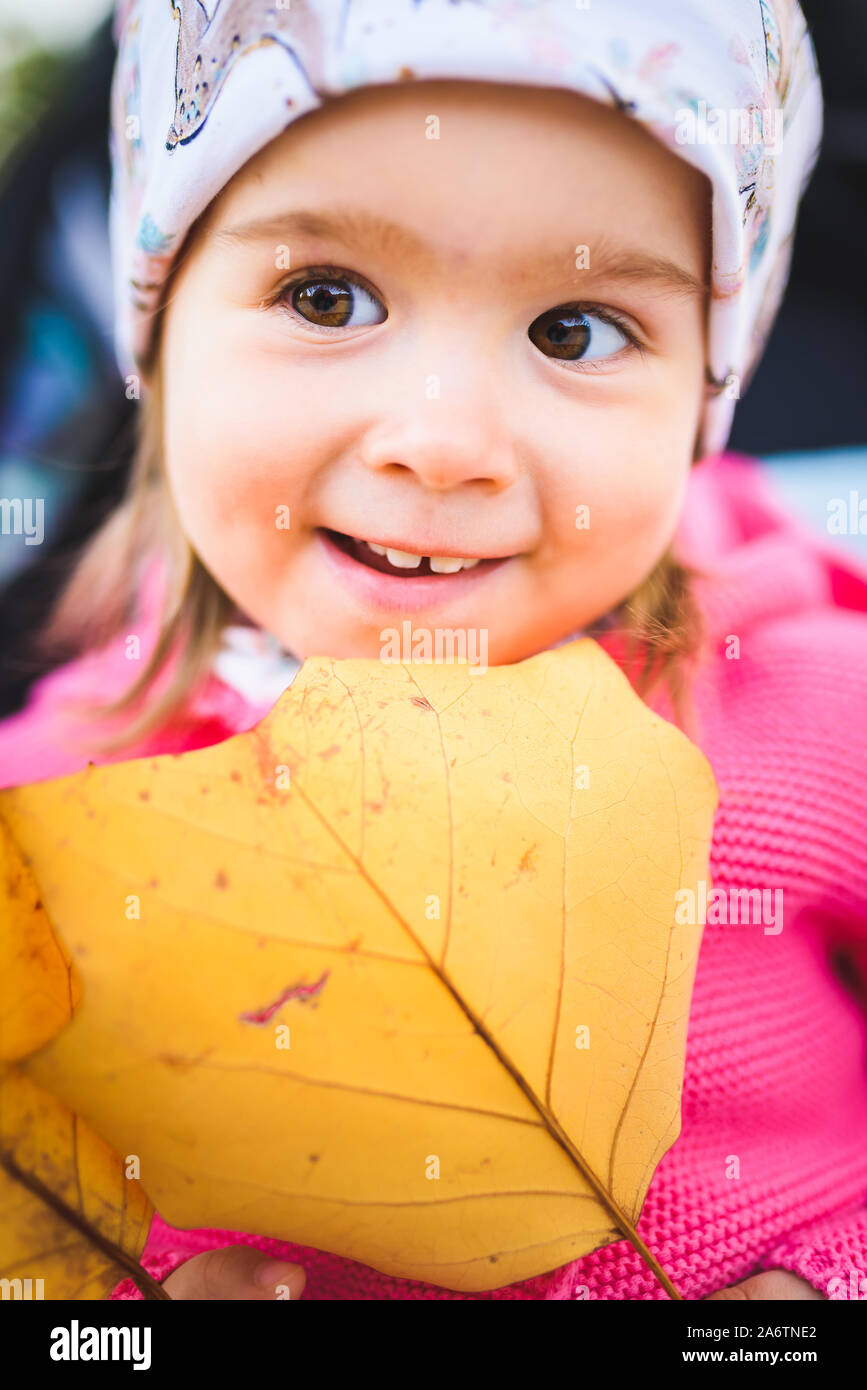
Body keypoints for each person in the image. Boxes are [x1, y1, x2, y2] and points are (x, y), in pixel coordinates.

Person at [2, 0, 866, 1301]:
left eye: (575, 329)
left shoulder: (816, 710)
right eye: (325, 295)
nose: (442, 437)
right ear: (162, 339)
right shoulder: (56, 811)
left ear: (703, 394)